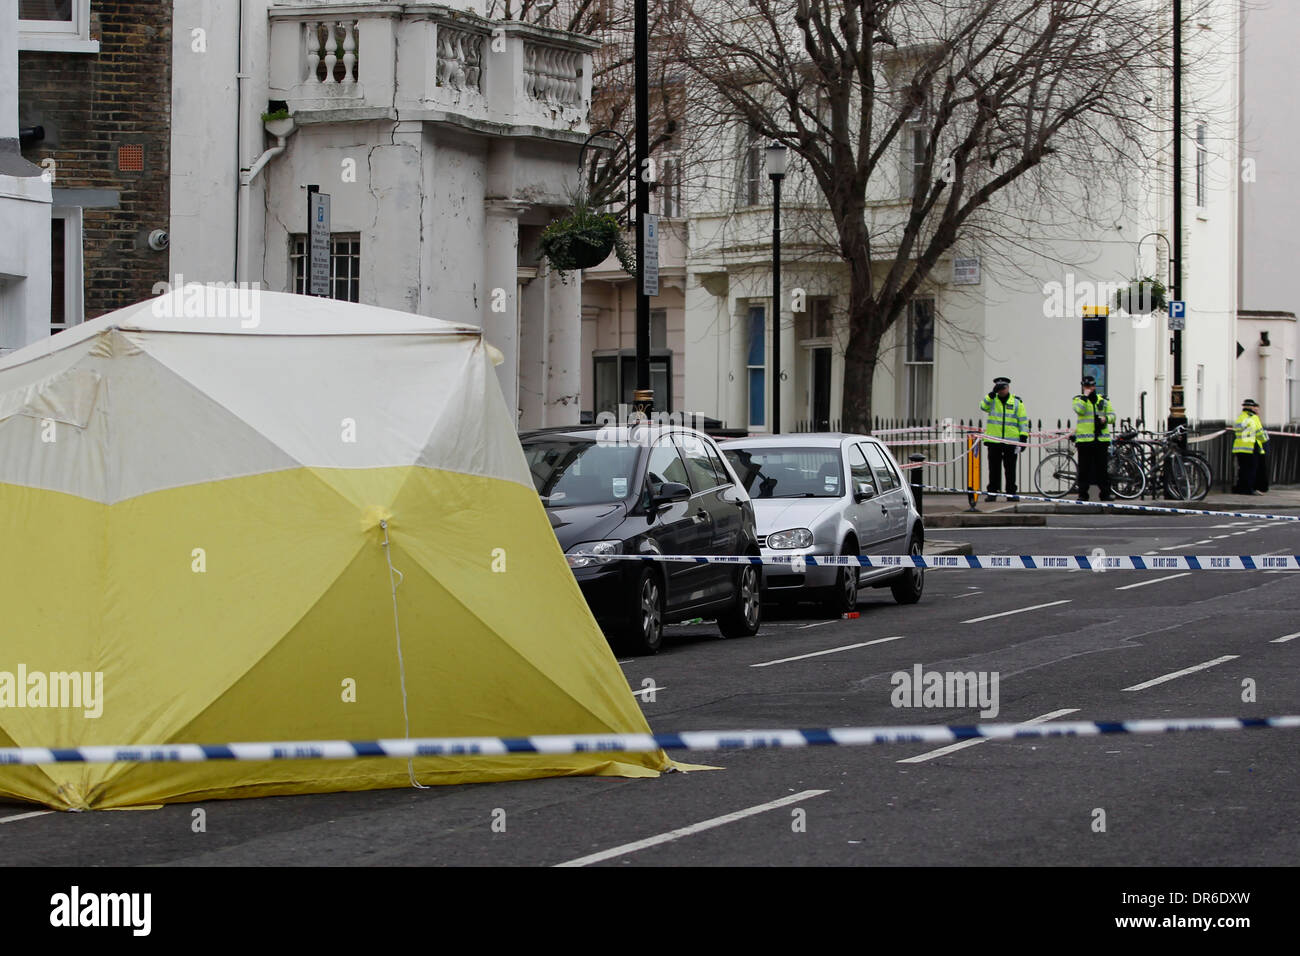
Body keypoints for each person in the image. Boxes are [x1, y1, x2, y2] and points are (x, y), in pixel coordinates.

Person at [979, 376, 1029, 501]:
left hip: (1011, 441)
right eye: (999, 388)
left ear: (1008, 388)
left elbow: (1022, 421)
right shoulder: (992, 400)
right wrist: (991, 394)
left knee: (1010, 469)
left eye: (1003, 388)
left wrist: (1023, 437)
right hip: (994, 441)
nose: (1001, 391)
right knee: (994, 469)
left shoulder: (1016, 402)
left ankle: (1011, 493)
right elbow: (983, 406)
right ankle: (992, 493)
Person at [1071, 376, 1115, 501]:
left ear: (1094, 386)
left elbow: (1113, 415)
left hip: (1100, 440)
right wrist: (1085, 396)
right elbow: (1079, 410)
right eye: (1085, 386)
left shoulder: (1103, 400)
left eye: (1090, 386)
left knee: (1102, 469)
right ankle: (1083, 494)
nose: (1088, 388)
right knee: (1084, 469)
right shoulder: (1078, 400)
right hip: (1085, 441)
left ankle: (1105, 494)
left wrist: (1105, 419)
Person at [1232, 399, 1268, 495]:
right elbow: (1260, 433)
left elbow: (1236, 429)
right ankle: (1248, 489)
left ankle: (1240, 488)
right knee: (1251, 470)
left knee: (1242, 470)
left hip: (1239, 448)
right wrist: (1264, 440)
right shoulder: (1254, 418)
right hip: (1250, 448)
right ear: (1251, 407)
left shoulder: (1239, 418)